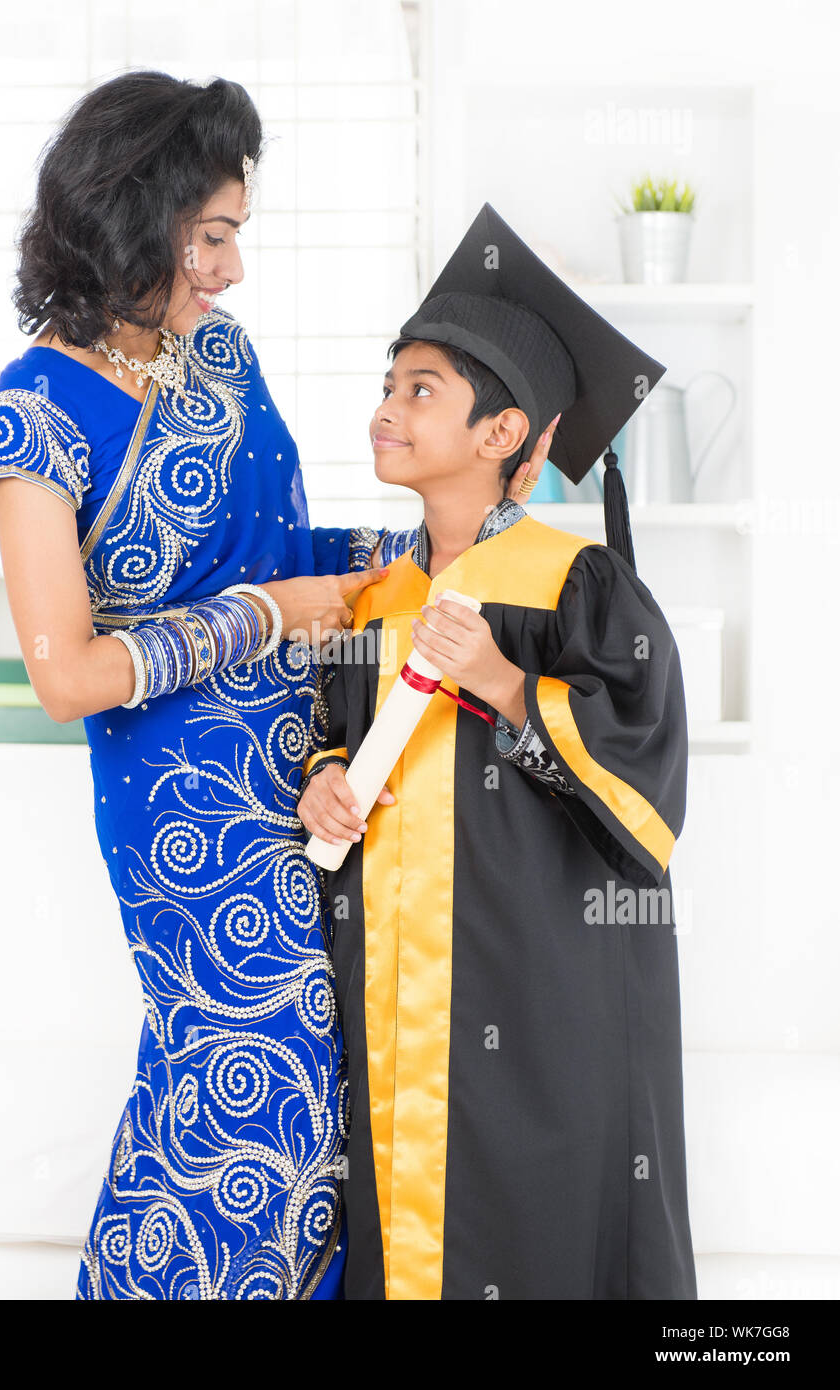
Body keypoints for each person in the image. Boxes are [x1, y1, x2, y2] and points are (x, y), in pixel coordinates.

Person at [0, 80, 549, 1301]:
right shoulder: (33, 414)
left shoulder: (219, 357)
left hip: (313, 769)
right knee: (255, 1103)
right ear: (137, 215)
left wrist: (465, 535)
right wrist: (266, 618)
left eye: (238, 235)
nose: (232, 271)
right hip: (180, 809)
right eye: (215, 235)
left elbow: (288, 554)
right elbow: (64, 674)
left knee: (325, 1092)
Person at [297, 205, 697, 1300]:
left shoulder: (574, 585)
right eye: (387, 387)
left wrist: (503, 680)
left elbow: (646, 784)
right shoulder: (377, 595)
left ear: (503, 433)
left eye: (419, 390)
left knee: (535, 1213)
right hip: (393, 989)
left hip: (535, 987)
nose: (385, 409)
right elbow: (333, 737)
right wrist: (324, 782)